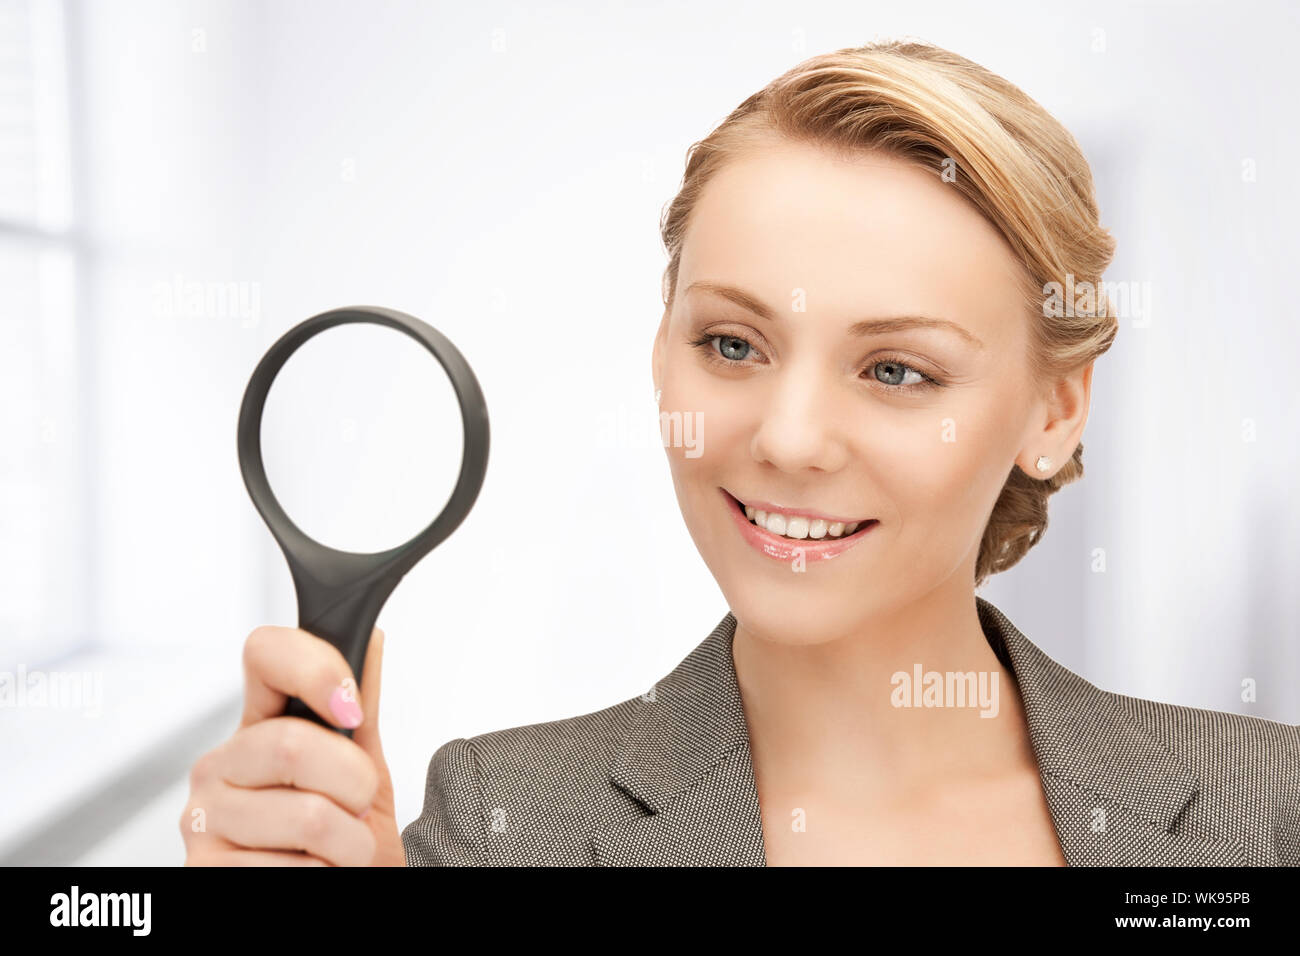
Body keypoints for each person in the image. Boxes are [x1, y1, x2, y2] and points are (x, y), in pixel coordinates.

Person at [181, 39, 1299, 866]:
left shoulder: (1270, 811)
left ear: (1054, 411)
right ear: (660, 351)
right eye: (731, 342)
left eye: (896, 369)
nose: (789, 438)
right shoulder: (495, 823)